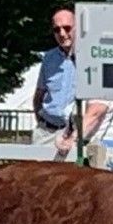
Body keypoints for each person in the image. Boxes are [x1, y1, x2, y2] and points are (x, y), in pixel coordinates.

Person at [32, 8, 75, 159]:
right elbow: (39, 95)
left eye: (67, 28)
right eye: (57, 29)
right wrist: (42, 121)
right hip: (46, 133)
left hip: (75, 136)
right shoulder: (49, 58)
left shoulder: (91, 58)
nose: (62, 33)